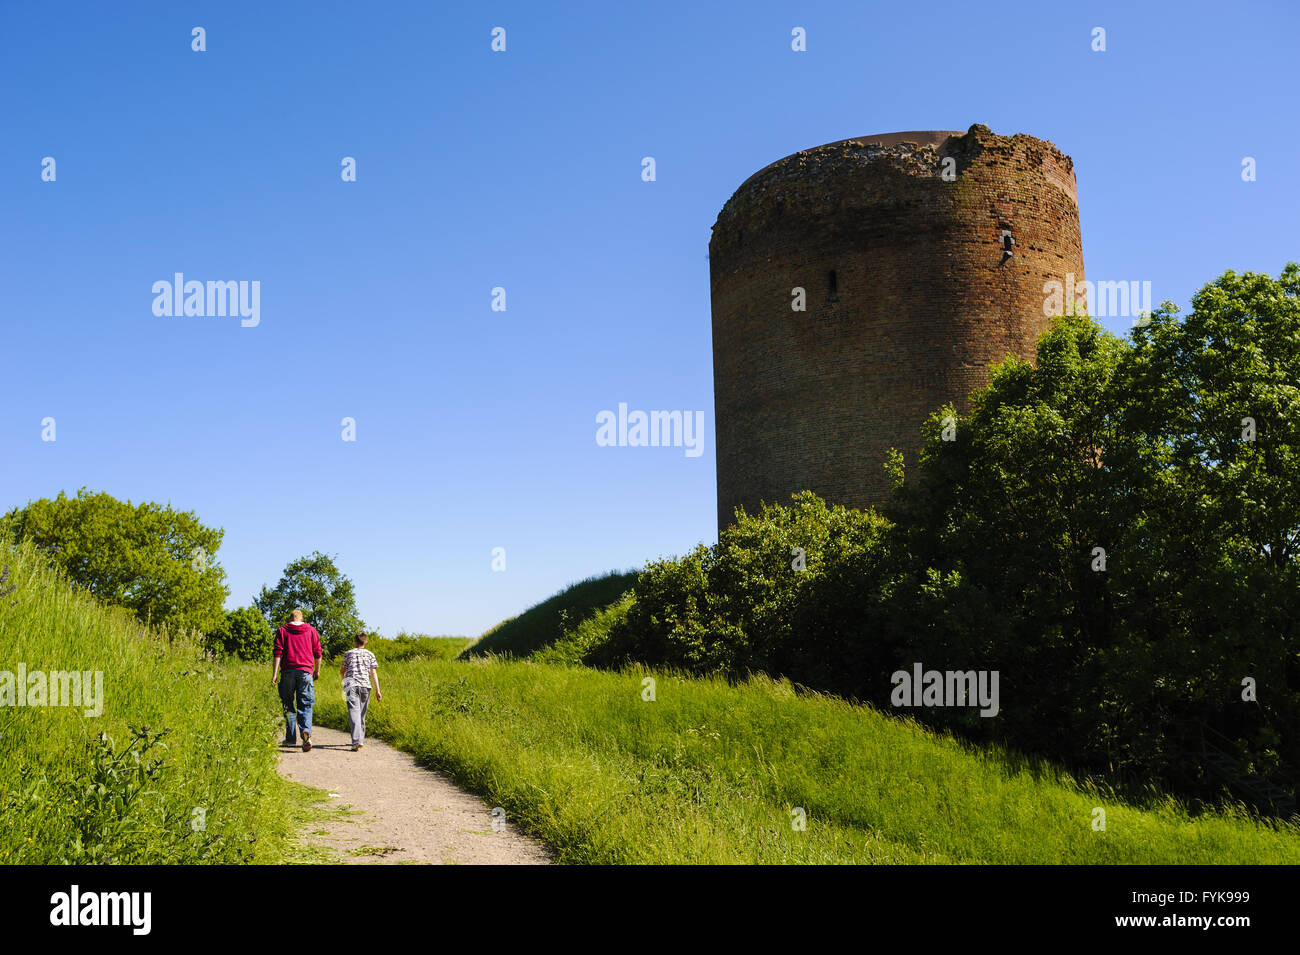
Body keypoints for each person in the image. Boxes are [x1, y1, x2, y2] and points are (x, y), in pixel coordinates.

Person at [271, 609, 323, 751]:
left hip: (287, 672)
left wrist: (275, 674)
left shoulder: (282, 630)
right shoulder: (311, 631)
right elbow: (318, 653)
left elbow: (277, 653)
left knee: (288, 704)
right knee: (305, 704)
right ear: (302, 619)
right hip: (306, 672)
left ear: (290, 619)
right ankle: (306, 731)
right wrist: (317, 671)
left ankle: (290, 739)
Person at [340, 632, 381, 751]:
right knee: (361, 714)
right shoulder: (370, 654)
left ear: (354, 641)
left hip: (351, 685)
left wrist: (345, 683)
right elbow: (373, 673)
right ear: (365, 641)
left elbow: (342, 671)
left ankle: (357, 741)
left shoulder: (348, 653)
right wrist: (378, 690)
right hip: (365, 686)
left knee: (354, 712)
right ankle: (359, 740)